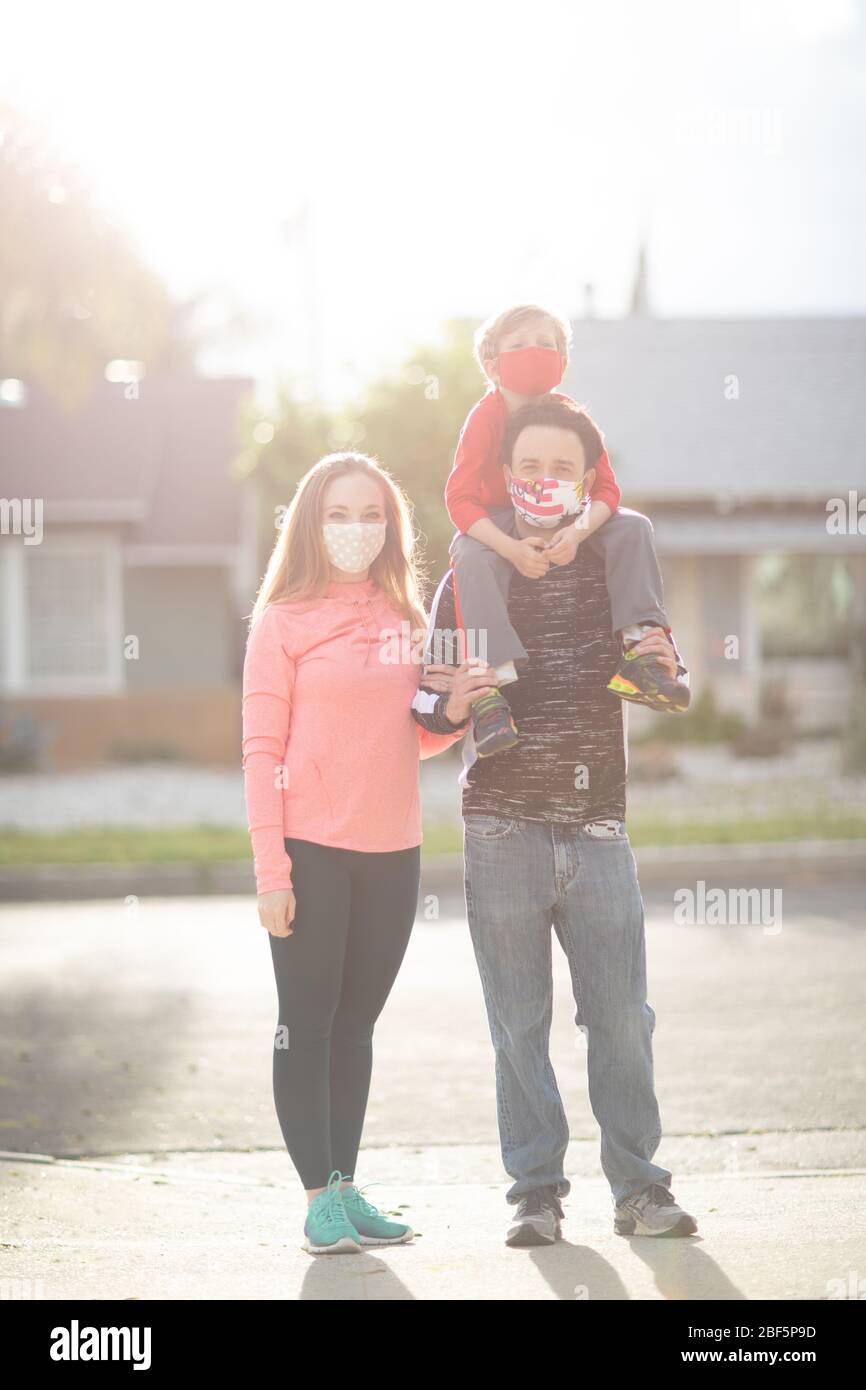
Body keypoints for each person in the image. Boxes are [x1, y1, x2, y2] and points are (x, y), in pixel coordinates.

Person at [414, 397, 698, 1245]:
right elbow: (425, 710)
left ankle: (640, 1189)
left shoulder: (614, 558)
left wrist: (656, 658)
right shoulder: (469, 570)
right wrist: (448, 703)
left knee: (621, 1019)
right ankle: (535, 1193)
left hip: (597, 827)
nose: (544, 481)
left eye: (562, 468)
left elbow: (662, 664)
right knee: (518, 1021)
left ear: (586, 481)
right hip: (501, 826)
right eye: (529, 466)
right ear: (506, 476)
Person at [242, 451, 483, 1254]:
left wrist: (450, 712)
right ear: (311, 523)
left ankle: (346, 1188)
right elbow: (259, 750)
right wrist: (271, 870)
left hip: (394, 851)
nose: (356, 529)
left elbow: (410, 738)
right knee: (304, 1025)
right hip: (310, 850)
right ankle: (317, 1199)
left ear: (392, 526)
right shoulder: (283, 621)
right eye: (339, 514)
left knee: (357, 1027)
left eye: (371, 514)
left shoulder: (406, 619)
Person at [442, 301, 690, 756]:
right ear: (492, 364)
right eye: (519, 345)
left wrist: (577, 534)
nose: (534, 351)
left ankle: (641, 653)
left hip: (571, 515)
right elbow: (458, 499)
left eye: (546, 343)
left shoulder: (572, 415)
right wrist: (511, 549)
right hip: (505, 520)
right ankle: (492, 691)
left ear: (564, 360)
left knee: (633, 527)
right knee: (470, 553)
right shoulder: (485, 417)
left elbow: (607, 491)